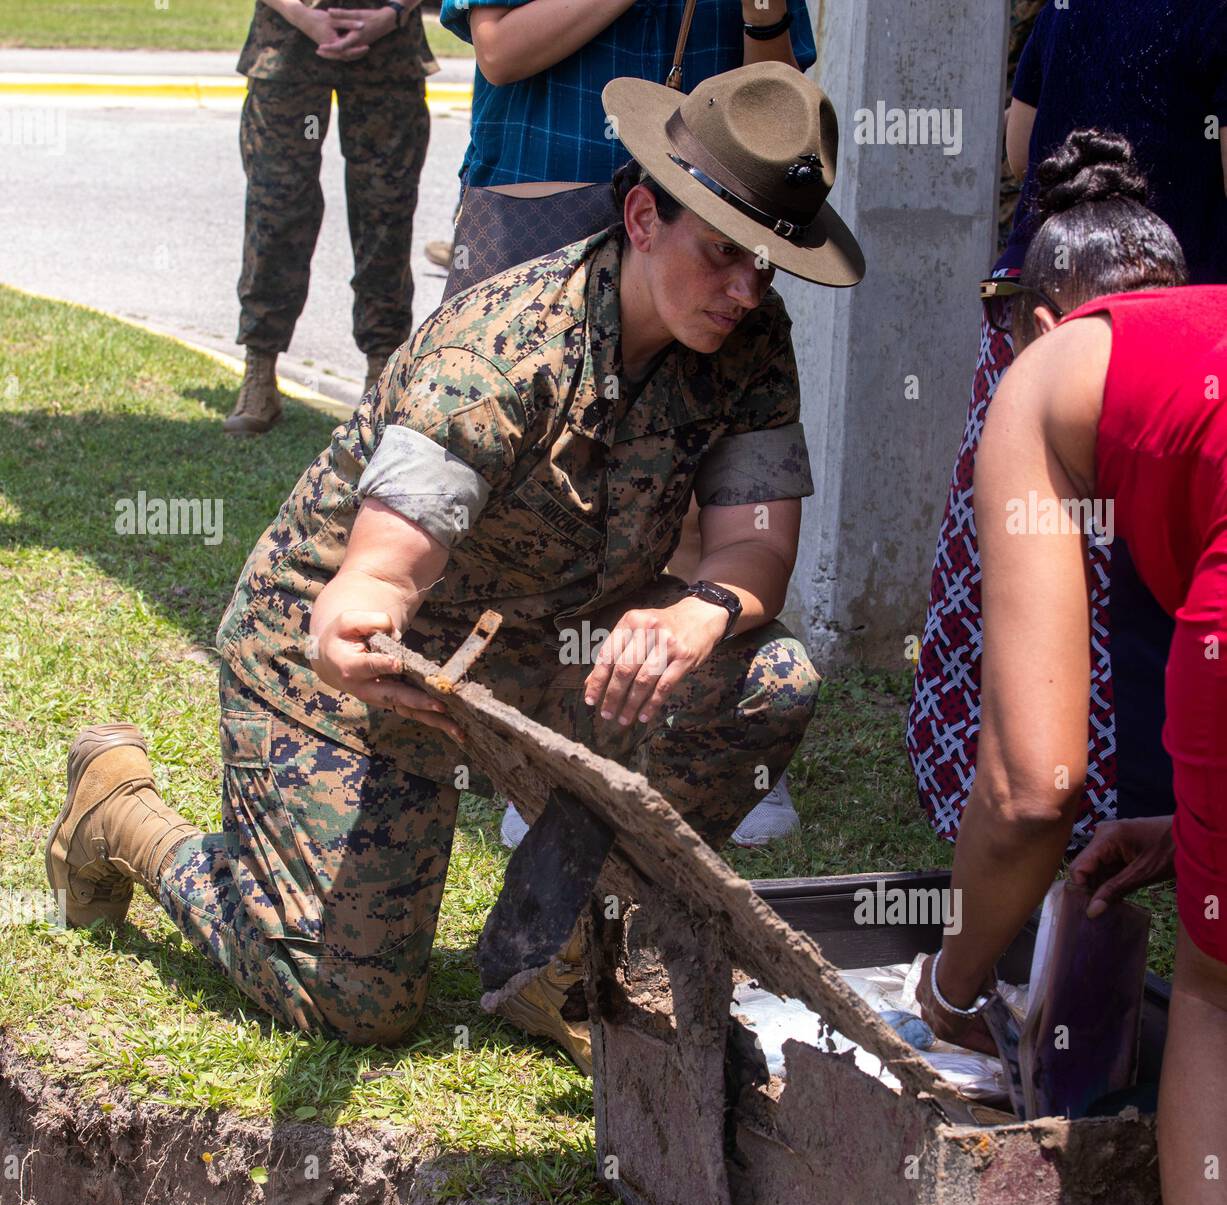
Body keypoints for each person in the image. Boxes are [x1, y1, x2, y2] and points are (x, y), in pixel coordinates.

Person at [46, 64, 864, 1076]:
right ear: (645, 215)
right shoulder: (502, 350)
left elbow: (755, 546)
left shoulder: (749, 343)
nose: (747, 289)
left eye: (769, 265)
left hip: (550, 649)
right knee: (352, 1000)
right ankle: (119, 812)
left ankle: (563, 957)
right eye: (726, 253)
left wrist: (702, 609)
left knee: (768, 676)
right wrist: (355, 624)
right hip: (363, 666)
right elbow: (384, 567)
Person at [913, 131, 1227, 1205]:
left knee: (1213, 996)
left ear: (1039, 326)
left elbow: (1034, 783)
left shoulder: (1045, 376)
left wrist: (952, 985)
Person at [440, 0, 819, 846]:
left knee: (688, 475)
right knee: (535, 494)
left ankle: (678, 739)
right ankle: (532, 740)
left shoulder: (744, 301)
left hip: (712, 219)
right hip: (550, 190)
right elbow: (499, 48)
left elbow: (783, 110)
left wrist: (760, 18)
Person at [908, 0, 1227, 845]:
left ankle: (995, 788)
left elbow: (1021, 149)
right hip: (1166, 327)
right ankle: (1145, 809)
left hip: (1033, 294)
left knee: (1004, 570)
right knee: (1143, 585)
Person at [223, 0, 438, 437]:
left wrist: (392, 14)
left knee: (386, 210)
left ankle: (382, 373)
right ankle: (260, 368)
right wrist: (303, 16)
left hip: (389, 45)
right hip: (286, 44)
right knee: (277, 208)